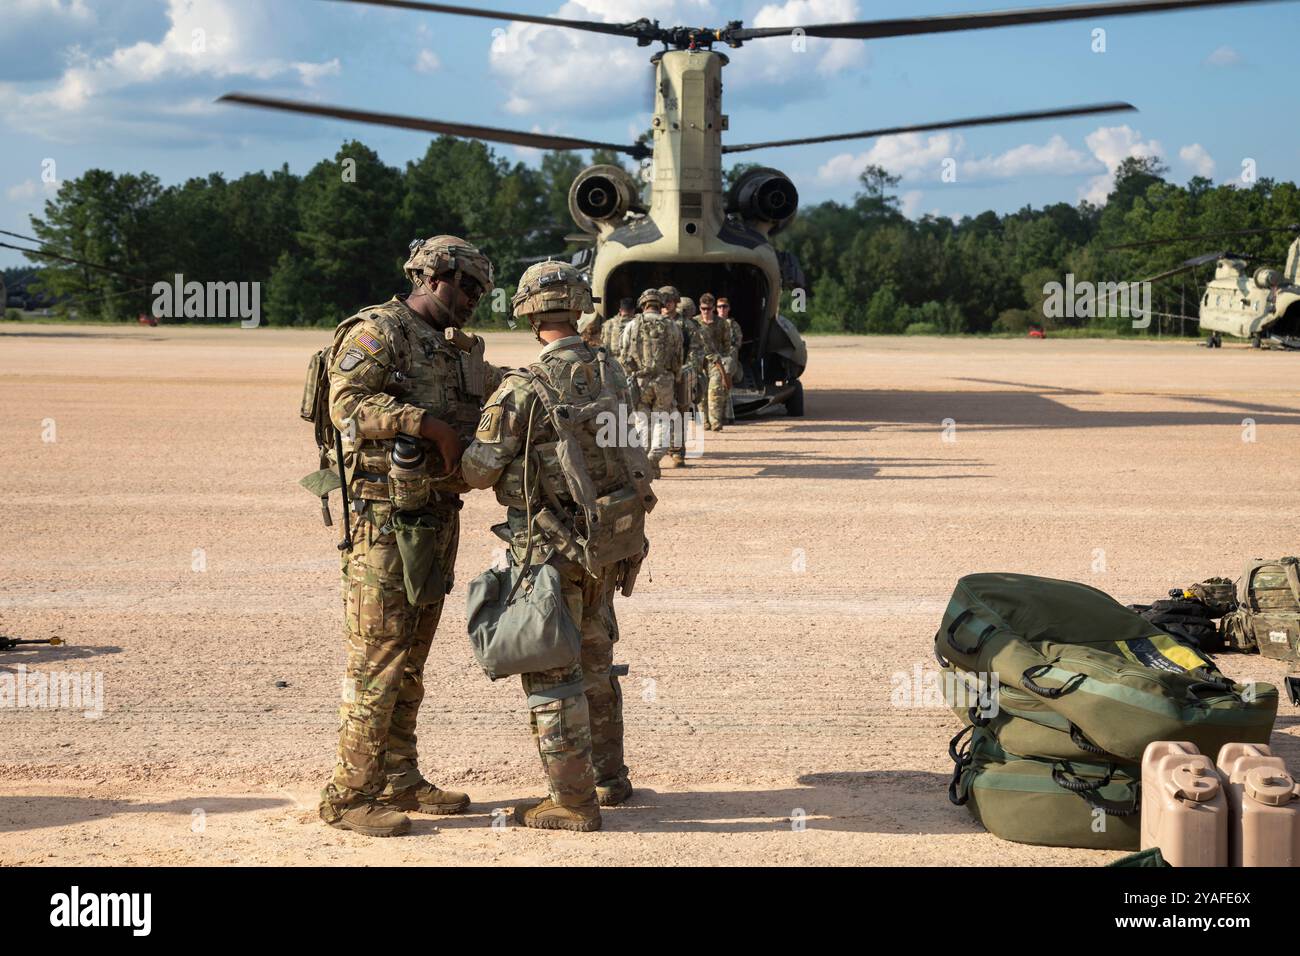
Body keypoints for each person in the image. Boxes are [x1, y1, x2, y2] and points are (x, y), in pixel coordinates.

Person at [461, 260, 655, 831]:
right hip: (608, 540)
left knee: (552, 667)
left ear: (527, 312)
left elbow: (478, 470)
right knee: (596, 656)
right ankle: (608, 777)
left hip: (548, 548)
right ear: (577, 306)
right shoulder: (611, 369)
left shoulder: (523, 387)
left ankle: (572, 802)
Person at [319, 235, 499, 837]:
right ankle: (348, 796)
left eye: (482, 291)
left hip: (433, 515)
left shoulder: (452, 350)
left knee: (412, 658)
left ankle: (398, 775)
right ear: (432, 275)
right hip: (382, 522)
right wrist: (423, 423)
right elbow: (345, 406)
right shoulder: (380, 331)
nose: (473, 299)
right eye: (466, 286)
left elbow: (491, 395)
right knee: (379, 658)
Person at [620, 288, 681, 466]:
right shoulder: (671, 325)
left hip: (640, 380)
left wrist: (630, 375)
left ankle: (644, 456)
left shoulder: (632, 325)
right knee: (662, 417)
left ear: (643, 304)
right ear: (659, 304)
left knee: (641, 418)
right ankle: (655, 455)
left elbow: (624, 355)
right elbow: (678, 355)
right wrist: (675, 377)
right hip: (664, 380)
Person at [661, 285, 705, 466]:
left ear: (675, 302)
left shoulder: (687, 325)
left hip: (680, 376)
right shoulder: (653, 323)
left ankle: (677, 450)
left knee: (680, 413)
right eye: (662, 302)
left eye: (669, 301)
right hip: (658, 377)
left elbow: (697, 351)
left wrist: (686, 371)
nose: (665, 305)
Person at [696, 293, 733, 431]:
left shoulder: (722, 324)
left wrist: (724, 362)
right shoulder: (694, 323)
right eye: (703, 308)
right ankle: (704, 421)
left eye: (709, 309)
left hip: (715, 362)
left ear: (713, 308)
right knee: (701, 393)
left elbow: (727, 345)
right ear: (700, 308)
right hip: (699, 361)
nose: (706, 312)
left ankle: (716, 422)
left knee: (715, 390)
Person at [717, 296, 744, 423]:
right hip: (715, 358)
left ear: (729, 308)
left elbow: (737, 344)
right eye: (719, 307)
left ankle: (727, 415)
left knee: (725, 382)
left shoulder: (734, 326)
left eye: (724, 306)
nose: (722, 309)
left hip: (728, 358)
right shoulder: (711, 323)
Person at [602, 297, 637, 363]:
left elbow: (605, 346)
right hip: (633, 365)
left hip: (615, 365)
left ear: (620, 310)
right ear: (633, 310)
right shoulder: (638, 324)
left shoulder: (609, 324)